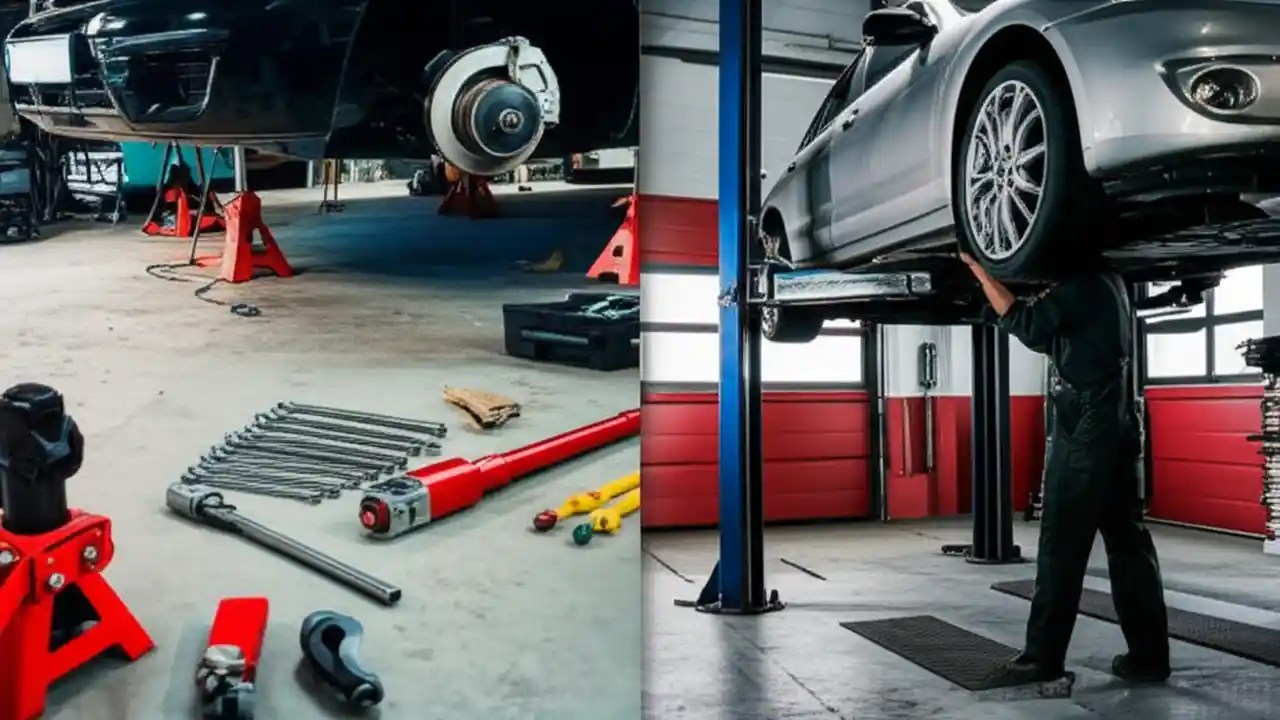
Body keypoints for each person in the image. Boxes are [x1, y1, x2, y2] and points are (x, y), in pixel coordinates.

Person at [959, 252, 1171, 685]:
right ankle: (1149, 657)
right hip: (1117, 426)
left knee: (1060, 549)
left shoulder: (1078, 285)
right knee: (1129, 545)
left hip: (1086, 435)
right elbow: (1049, 330)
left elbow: (1029, 325)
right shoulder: (1110, 280)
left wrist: (981, 272)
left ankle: (1041, 659)